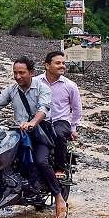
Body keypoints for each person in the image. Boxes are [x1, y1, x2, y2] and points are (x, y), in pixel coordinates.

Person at [0, 56, 67, 218]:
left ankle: (59, 197)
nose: (18, 76)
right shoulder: (12, 90)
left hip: (41, 132)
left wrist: (32, 122)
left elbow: (44, 108)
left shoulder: (42, 88)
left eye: (22, 73)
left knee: (41, 161)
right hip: (19, 132)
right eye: (15, 73)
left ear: (32, 73)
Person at [33, 50, 81, 180]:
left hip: (60, 120)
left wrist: (73, 129)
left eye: (63, 63)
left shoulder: (70, 85)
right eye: (58, 63)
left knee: (59, 134)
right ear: (47, 65)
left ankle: (60, 167)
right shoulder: (36, 82)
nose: (62, 66)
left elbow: (77, 109)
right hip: (40, 120)